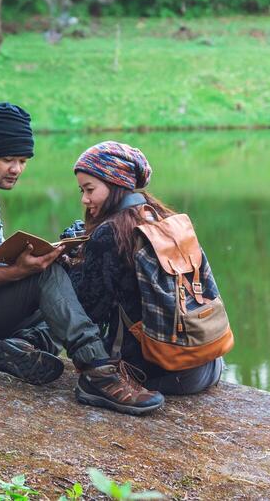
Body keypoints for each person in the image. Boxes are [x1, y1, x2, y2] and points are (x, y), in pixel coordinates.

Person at [0, 102, 165, 415]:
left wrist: (43, 256)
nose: (17, 169)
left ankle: (21, 345)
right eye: (8, 159)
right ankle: (98, 372)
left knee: (58, 277)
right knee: (43, 278)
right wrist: (21, 272)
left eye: (22, 160)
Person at [61, 140, 225, 396]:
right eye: (82, 190)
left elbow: (88, 310)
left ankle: (31, 340)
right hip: (208, 363)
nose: (85, 199)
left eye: (90, 189)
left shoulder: (110, 233)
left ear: (115, 184)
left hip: (160, 372)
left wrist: (71, 262)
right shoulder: (166, 219)